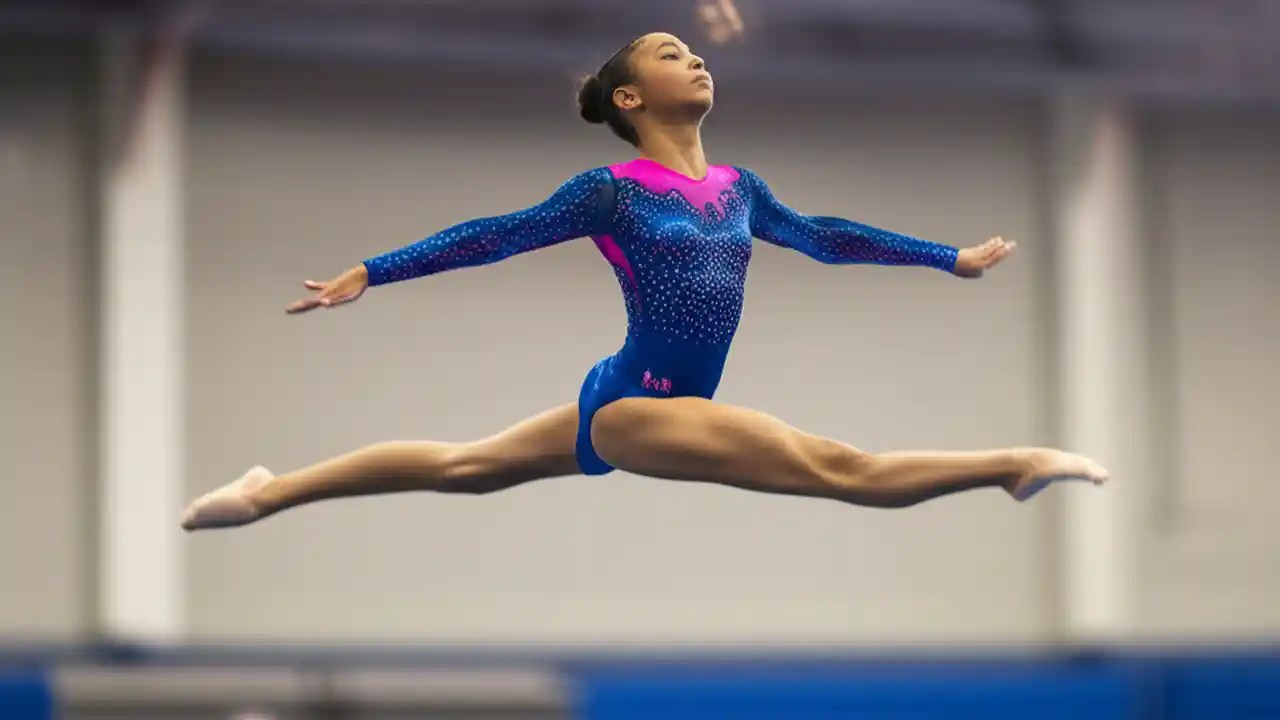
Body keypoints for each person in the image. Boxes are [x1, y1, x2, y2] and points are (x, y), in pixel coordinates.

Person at [182, 32, 1108, 532]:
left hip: (625, 389)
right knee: (844, 471)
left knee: (464, 469)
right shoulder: (610, 190)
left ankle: (270, 492)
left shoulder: (740, 188)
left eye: (695, 53)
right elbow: (499, 236)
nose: (695, 58)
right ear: (628, 99)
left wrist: (946, 257)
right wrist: (371, 273)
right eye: (670, 54)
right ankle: (1013, 465)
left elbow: (824, 237)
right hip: (640, 405)